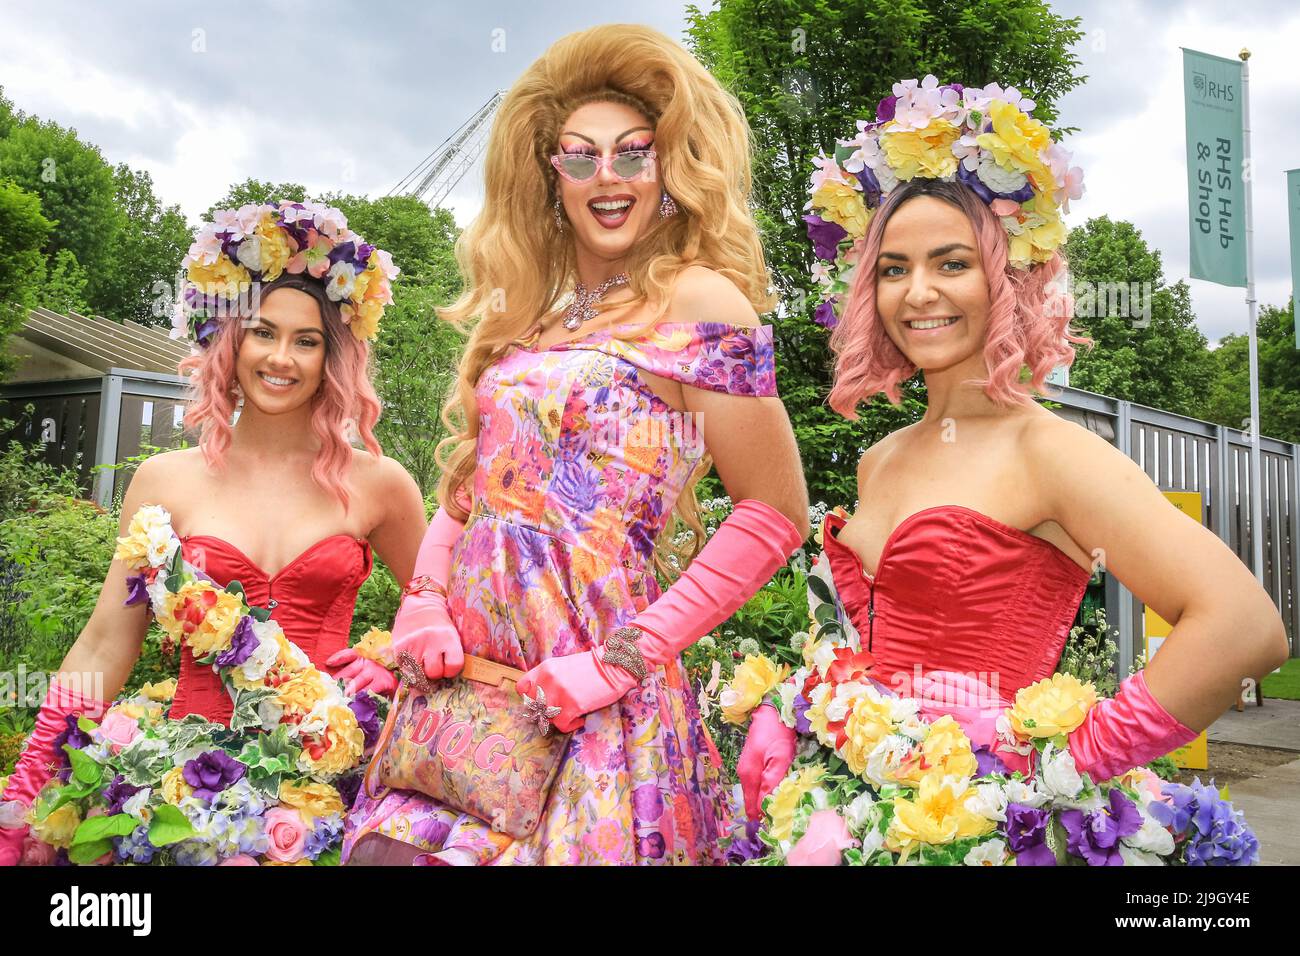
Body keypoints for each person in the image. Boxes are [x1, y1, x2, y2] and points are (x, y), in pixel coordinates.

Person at [737, 78, 1290, 821]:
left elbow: (1243, 626)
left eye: (952, 263)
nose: (919, 291)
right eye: (894, 269)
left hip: (987, 830)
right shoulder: (883, 458)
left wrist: (1057, 772)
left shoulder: (1050, 450)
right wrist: (800, 708)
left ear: (1007, 278)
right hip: (862, 821)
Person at [343, 24, 810, 866]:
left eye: (634, 154)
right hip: (468, 706)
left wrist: (624, 660)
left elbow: (775, 515)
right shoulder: (534, 319)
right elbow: (479, 492)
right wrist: (421, 597)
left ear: (670, 167)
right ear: (549, 176)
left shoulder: (702, 301)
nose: (608, 177)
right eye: (580, 155)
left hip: (600, 715)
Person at [0, 200, 427, 865]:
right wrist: (31, 787)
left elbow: (444, 620)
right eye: (263, 332)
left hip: (337, 796)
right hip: (181, 796)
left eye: (307, 340)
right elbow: (105, 642)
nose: (281, 357)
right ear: (232, 340)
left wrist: (386, 665)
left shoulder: (381, 486)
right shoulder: (166, 480)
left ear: (332, 355)